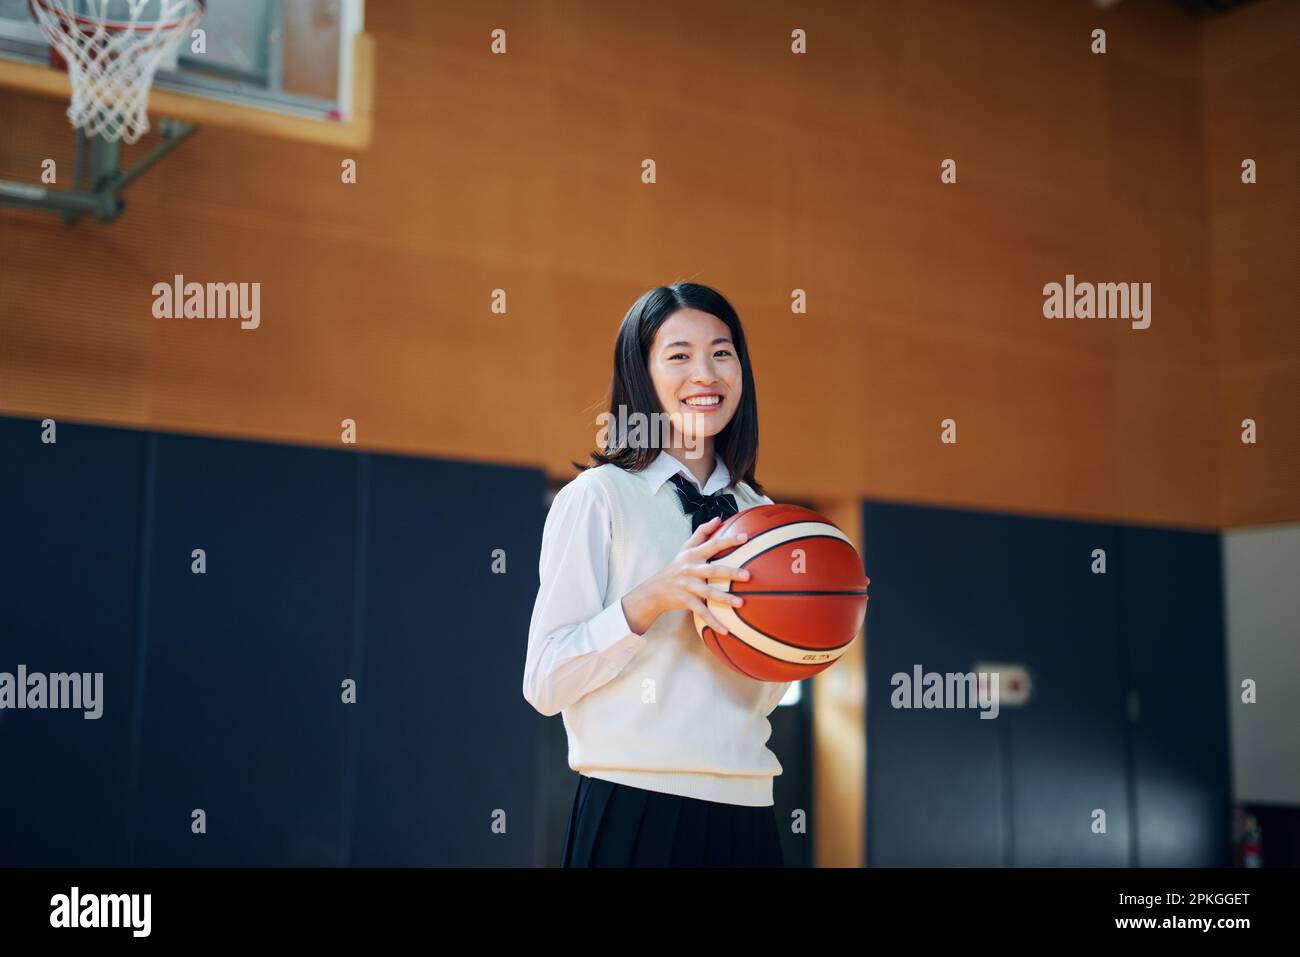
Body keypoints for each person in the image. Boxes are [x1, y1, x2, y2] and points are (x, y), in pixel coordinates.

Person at [522, 282, 790, 867]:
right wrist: (649, 601)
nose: (706, 373)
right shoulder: (597, 498)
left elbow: (766, 691)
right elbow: (543, 683)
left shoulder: (763, 518)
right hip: (633, 807)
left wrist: (804, 638)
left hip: (749, 808)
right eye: (678, 355)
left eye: (723, 352)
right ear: (641, 374)